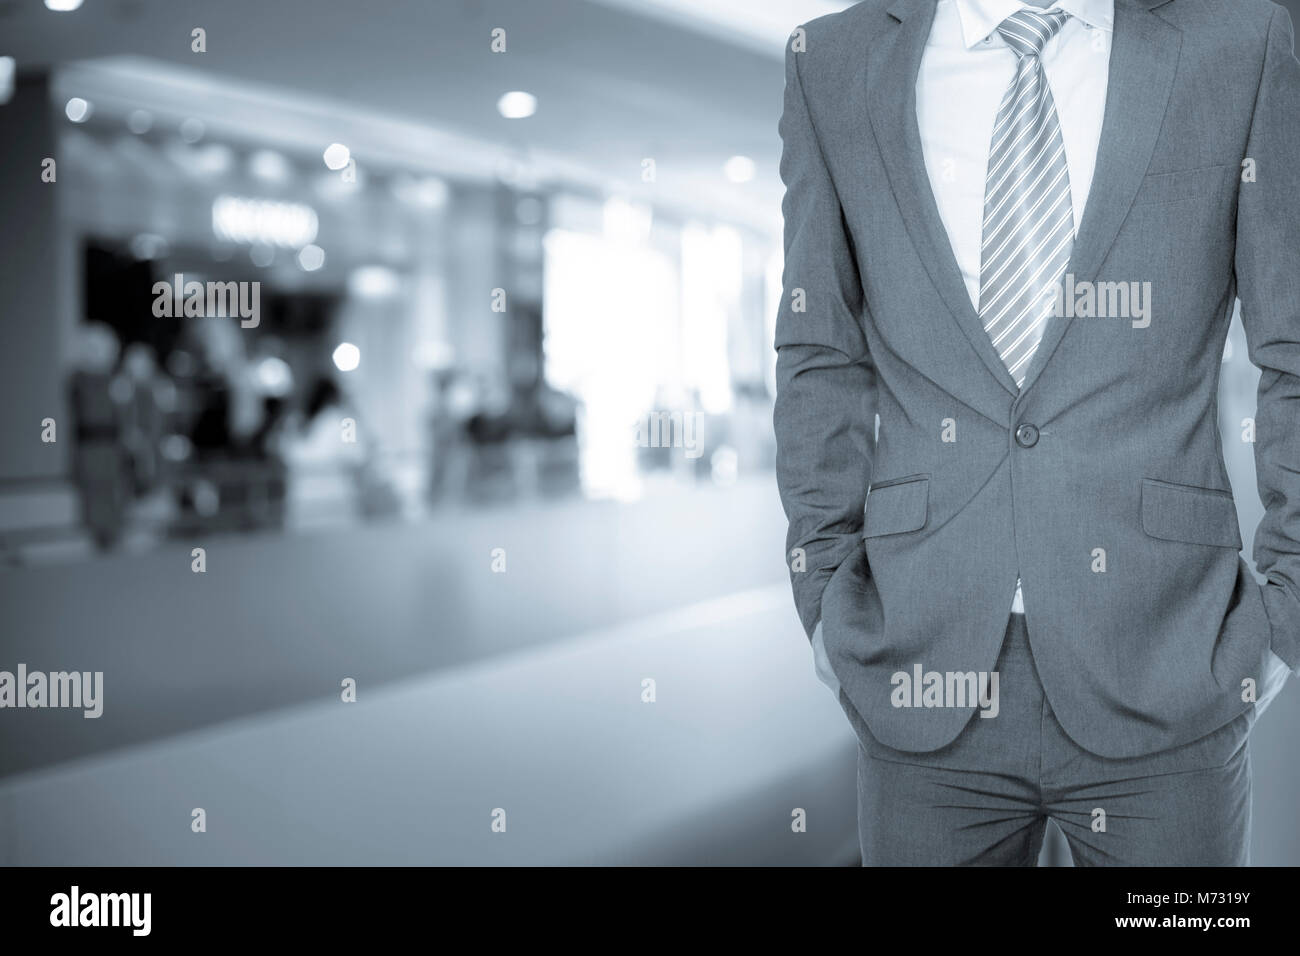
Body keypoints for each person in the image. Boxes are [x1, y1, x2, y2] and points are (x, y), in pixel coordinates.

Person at [773, 0, 1300, 865]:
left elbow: (1291, 348)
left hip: (1173, 657)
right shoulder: (831, 60)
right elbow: (819, 352)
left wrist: (1289, 606)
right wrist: (821, 588)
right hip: (917, 655)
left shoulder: (1237, 43)